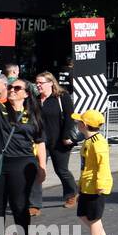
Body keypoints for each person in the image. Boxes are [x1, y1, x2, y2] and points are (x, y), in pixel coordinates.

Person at [0, 74, 47, 235]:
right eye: (10, 88)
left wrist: (43, 167)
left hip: (23, 163)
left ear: (26, 94)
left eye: (17, 88)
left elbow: (40, 141)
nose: (12, 90)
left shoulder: (33, 114)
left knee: (19, 205)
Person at [71, 109, 115, 235]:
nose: (76, 123)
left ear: (83, 125)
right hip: (87, 184)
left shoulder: (98, 143)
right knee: (83, 214)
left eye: (78, 121)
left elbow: (103, 165)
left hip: (96, 185)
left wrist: (100, 184)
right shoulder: (89, 141)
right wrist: (81, 183)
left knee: (93, 217)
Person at [35, 73, 78, 209]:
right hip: (40, 141)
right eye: (37, 83)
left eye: (41, 82)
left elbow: (70, 118)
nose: (38, 85)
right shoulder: (35, 99)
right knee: (37, 170)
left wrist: (66, 136)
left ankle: (71, 195)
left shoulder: (62, 97)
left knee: (61, 170)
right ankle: (34, 204)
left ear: (51, 83)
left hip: (59, 141)